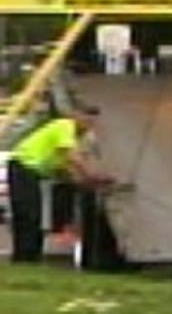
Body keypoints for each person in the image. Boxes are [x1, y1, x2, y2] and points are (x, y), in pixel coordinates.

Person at [6, 105, 113, 263]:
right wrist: (91, 176)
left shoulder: (71, 137)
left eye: (91, 122)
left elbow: (68, 170)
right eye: (86, 119)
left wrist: (89, 182)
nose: (88, 124)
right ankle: (25, 257)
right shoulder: (65, 126)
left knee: (32, 214)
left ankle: (29, 256)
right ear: (76, 116)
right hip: (23, 166)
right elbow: (72, 158)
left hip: (31, 171)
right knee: (28, 213)